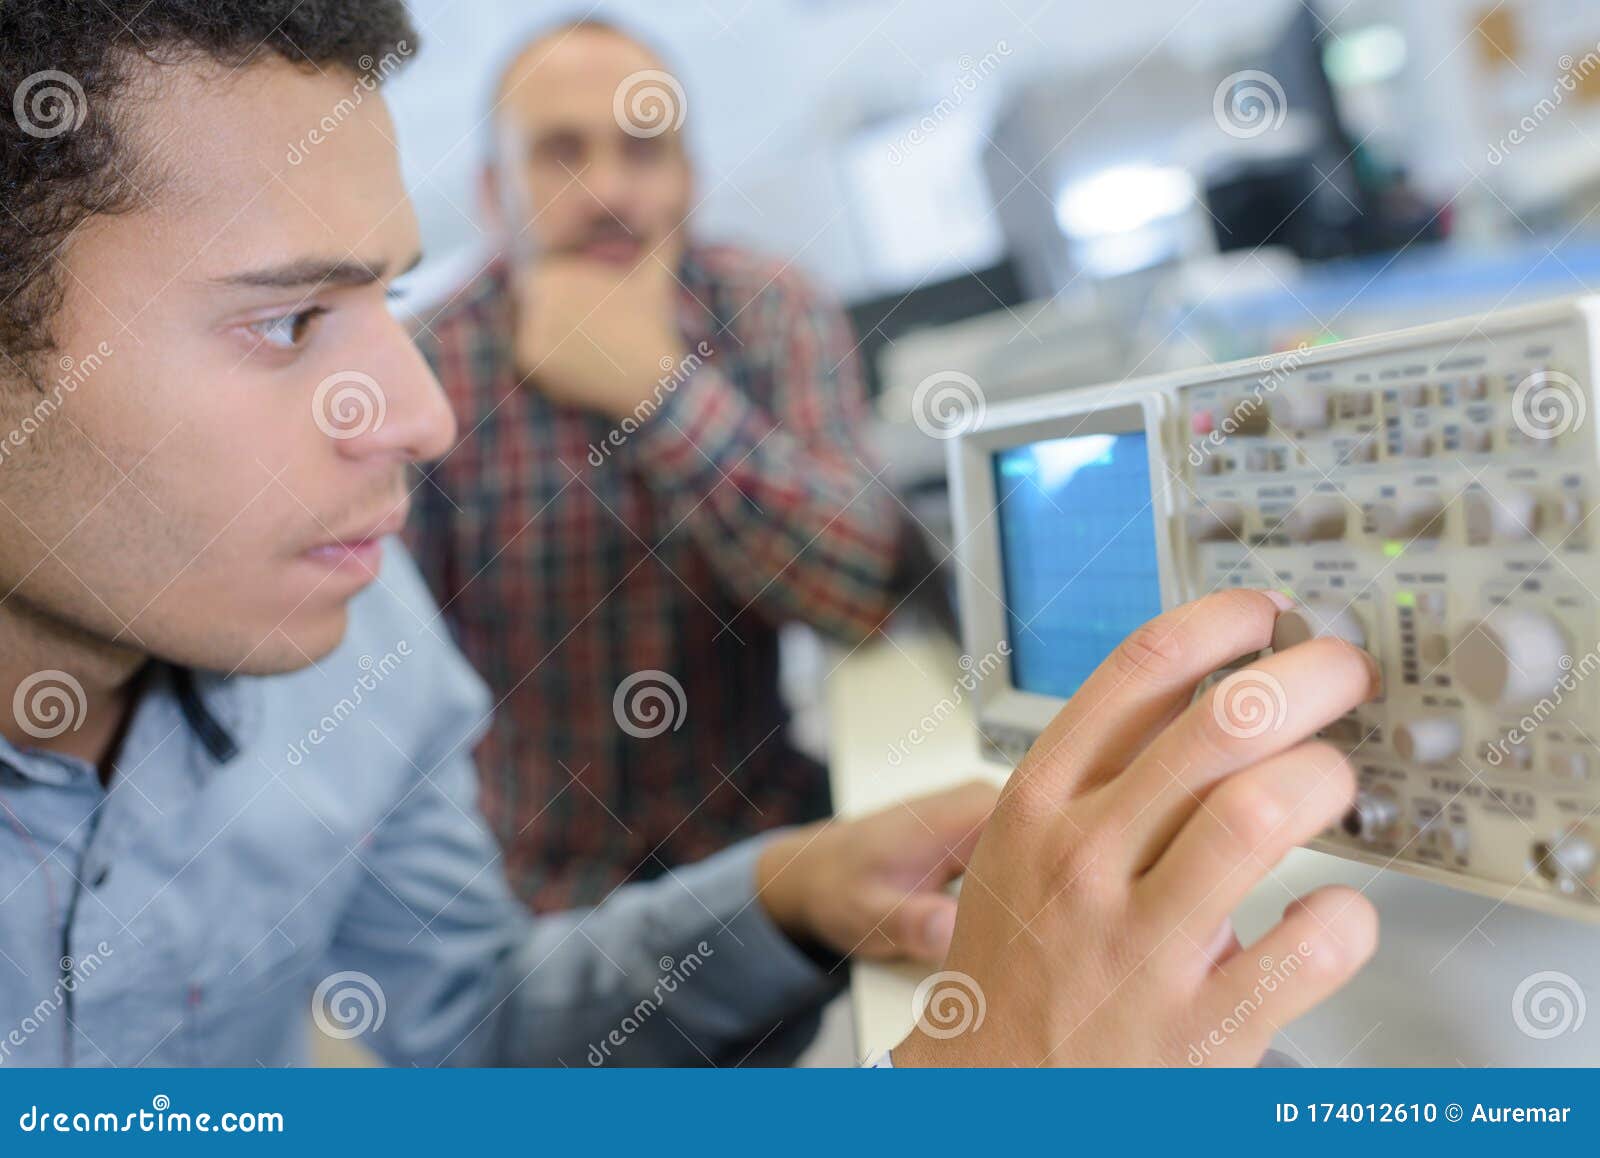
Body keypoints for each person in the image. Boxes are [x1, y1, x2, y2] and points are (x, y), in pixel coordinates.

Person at [0, 0, 1377, 1069]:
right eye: (289, 319)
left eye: (380, 300)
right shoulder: (386, 480)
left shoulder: (364, 624)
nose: (416, 420)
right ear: (501, 194)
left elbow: (475, 1033)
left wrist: (779, 891)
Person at [406, 19, 915, 910]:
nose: (607, 190)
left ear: (690, 177)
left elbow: (869, 596)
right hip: (540, 899)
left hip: (772, 863)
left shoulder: (771, 311)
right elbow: (390, 711)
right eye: (562, 154)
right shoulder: (424, 369)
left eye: (645, 149)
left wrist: (659, 391)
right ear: (494, 192)